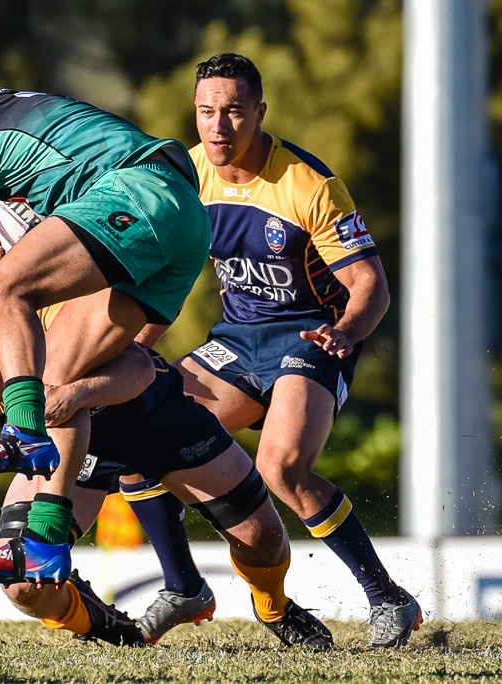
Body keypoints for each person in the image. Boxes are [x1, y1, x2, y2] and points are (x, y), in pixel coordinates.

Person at [0, 41, 211, 587]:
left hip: (140, 191)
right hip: (184, 222)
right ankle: (44, 548)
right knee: (63, 380)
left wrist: (6, 370)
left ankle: (23, 432)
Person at [165, 52, 423, 649]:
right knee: (142, 431)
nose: (219, 126)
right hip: (236, 339)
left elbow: (371, 287)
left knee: (281, 467)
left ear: (260, 111)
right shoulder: (186, 174)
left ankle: (387, 598)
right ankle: (195, 588)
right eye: (206, 112)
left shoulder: (309, 183)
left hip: (311, 335)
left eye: (233, 111)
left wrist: (347, 333)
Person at [0, 295, 334, 650]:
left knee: (263, 539)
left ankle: (274, 608)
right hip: (76, 452)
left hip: (152, 417)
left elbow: (140, 368)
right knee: (23, 585)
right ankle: (106, 627)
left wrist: (76, 393)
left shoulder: (55, 323)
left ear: (5, 343)